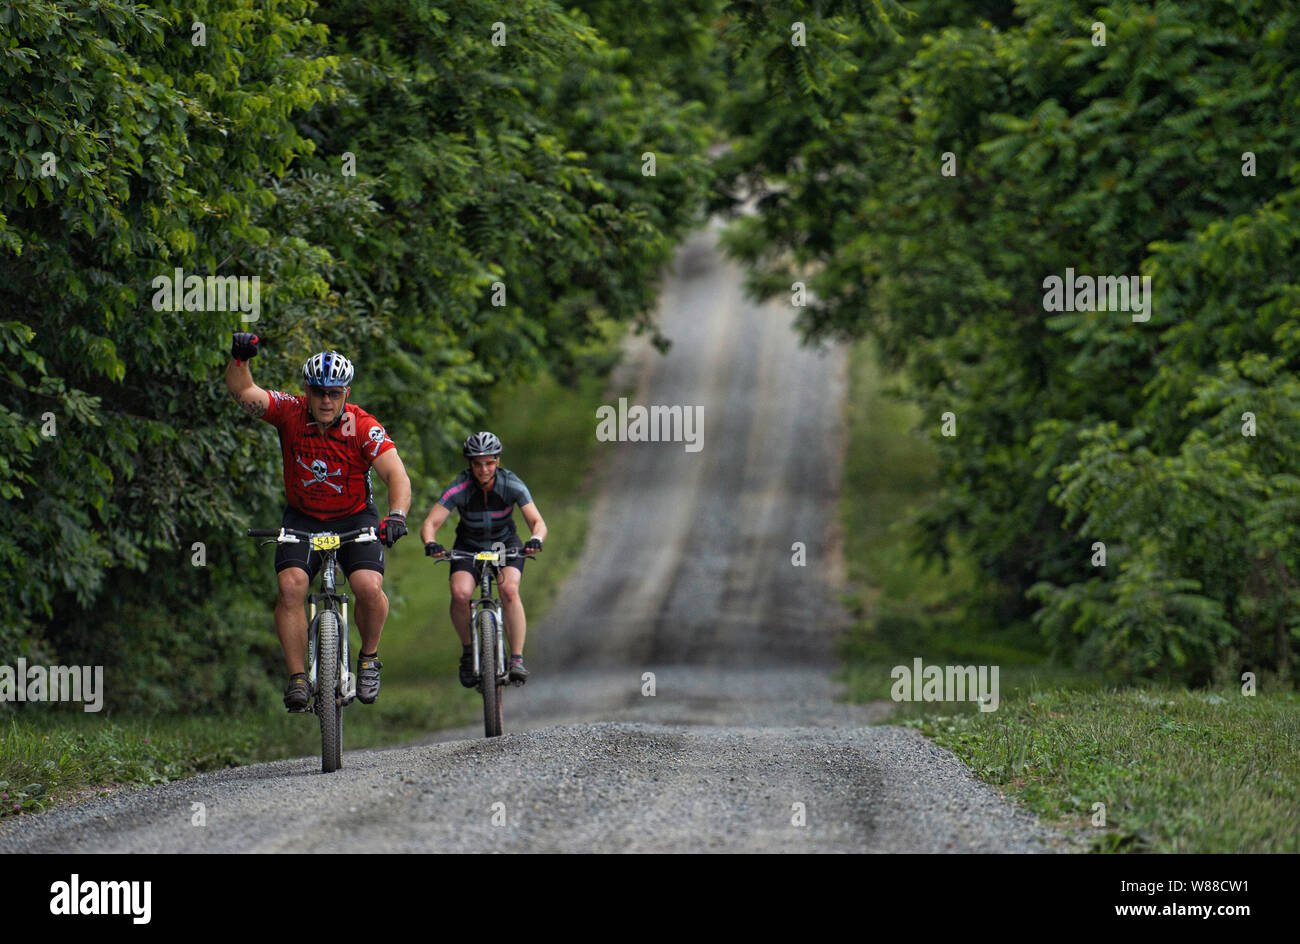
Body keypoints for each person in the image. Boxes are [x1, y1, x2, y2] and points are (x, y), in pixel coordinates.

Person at [225, 331, 411, 710]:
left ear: (346, 393)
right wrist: (240, 359)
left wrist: (396, 516)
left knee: (367, 586)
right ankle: (296, 677)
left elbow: (397, 475)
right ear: (307, 391)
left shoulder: (362, 426)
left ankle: (369, 659)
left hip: (355, 518)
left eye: (335, 393)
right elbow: (245, 394)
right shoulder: (290, 412)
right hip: (303, 518)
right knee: (291, 586)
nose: (326, 400)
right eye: (319, 392)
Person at [420, 432, 547, 685]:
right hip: (468, 546)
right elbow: (430, 522)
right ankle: (469, 652)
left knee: (509, 590)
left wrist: (535, 539)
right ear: (470, 464)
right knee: (460, 593)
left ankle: (517, 659)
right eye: (477, 463)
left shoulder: (511, 484)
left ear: (497, 461)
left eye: (489, 462)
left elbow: (537, 521)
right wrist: (431, 542)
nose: (483, 469)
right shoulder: (460, 486)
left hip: (504, 544)